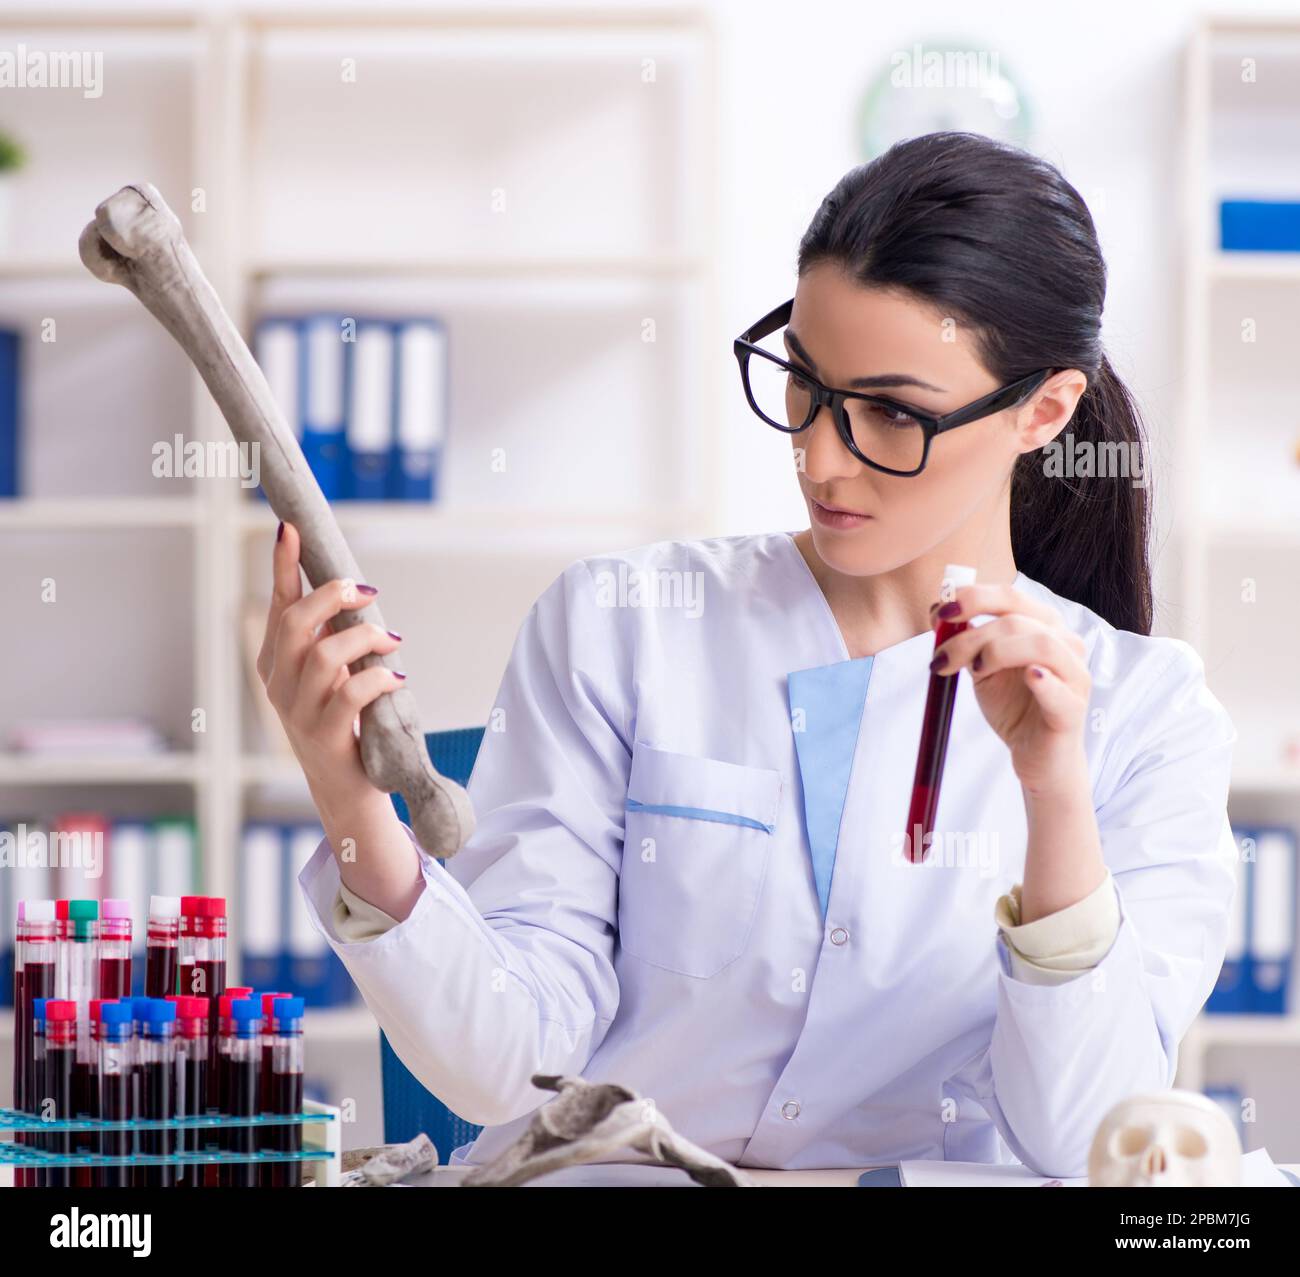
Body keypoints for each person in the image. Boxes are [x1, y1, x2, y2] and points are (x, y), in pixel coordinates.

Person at [263, 132, 1236, 1178]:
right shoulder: (622, 621)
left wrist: (1052, 793)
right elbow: (506, 1062)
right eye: (805, 383)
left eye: (890, 413)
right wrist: (352, 804)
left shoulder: (1146, 712)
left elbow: (1087, 1136)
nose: (818, 454)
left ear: (1044, 410)